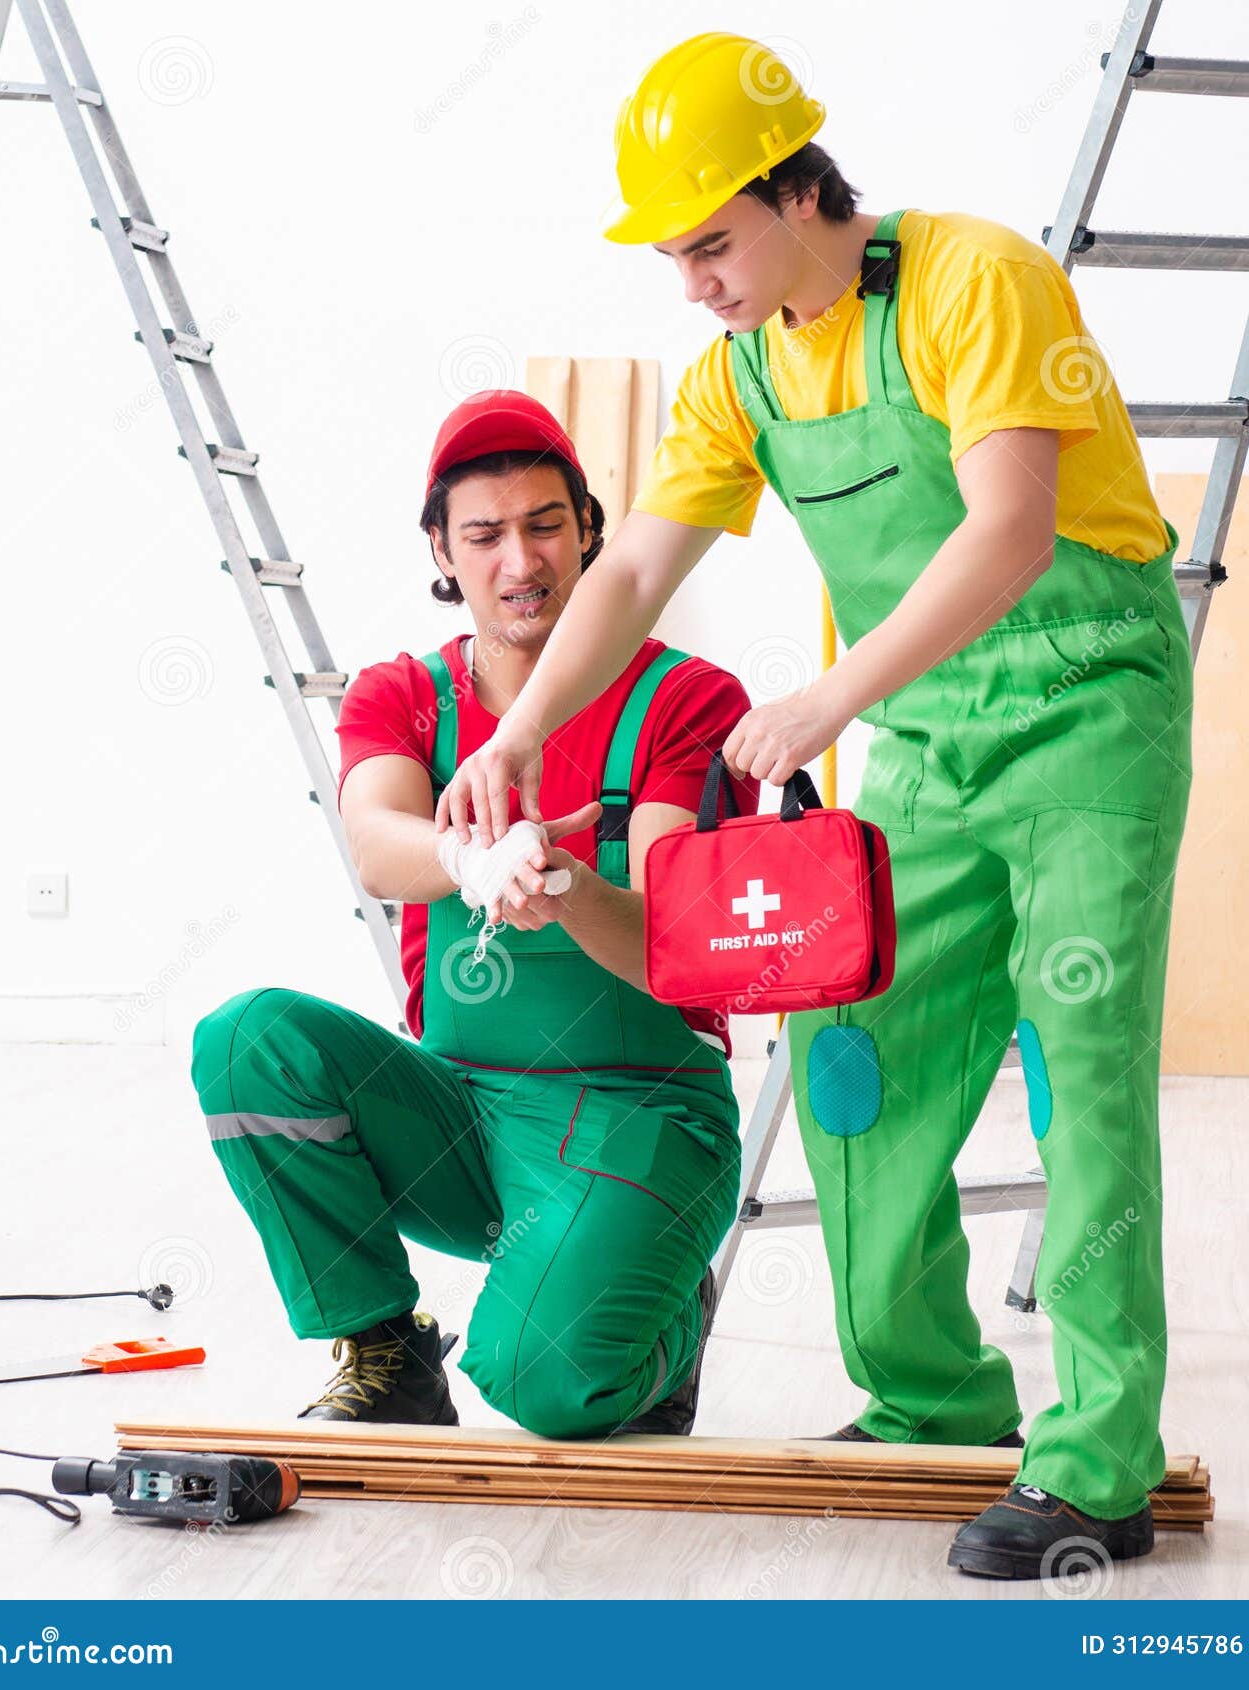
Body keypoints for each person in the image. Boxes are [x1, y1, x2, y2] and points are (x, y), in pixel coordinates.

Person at [435, 34, 1193, 1578]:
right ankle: (935, 1401)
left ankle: (1100, 1458)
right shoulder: (745, 376)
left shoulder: (980, 283)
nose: (696, 281)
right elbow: (635, 567)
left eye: (713, 241)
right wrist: (520, 724)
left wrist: (828, 698)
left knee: (1084, 1059)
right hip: (923, 741)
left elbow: (1010, 526)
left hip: (1089, 707)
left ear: (797, 188)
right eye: (678, 255)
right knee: (853, 1066)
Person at [190, 390, 758, 1438]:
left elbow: (683, 949)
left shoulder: (688, 702)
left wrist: (569, 887)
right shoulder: (405, 693)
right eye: (485, 535)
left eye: (546, 524)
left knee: (544, 1386)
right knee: (247, 1041)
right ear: (442, 552)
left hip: (643, 1115)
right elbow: (376, 843)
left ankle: (670, 1310)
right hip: (466, 1111)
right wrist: (468, 854)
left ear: (591, 528)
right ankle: (388, 1352)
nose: (521, 562)